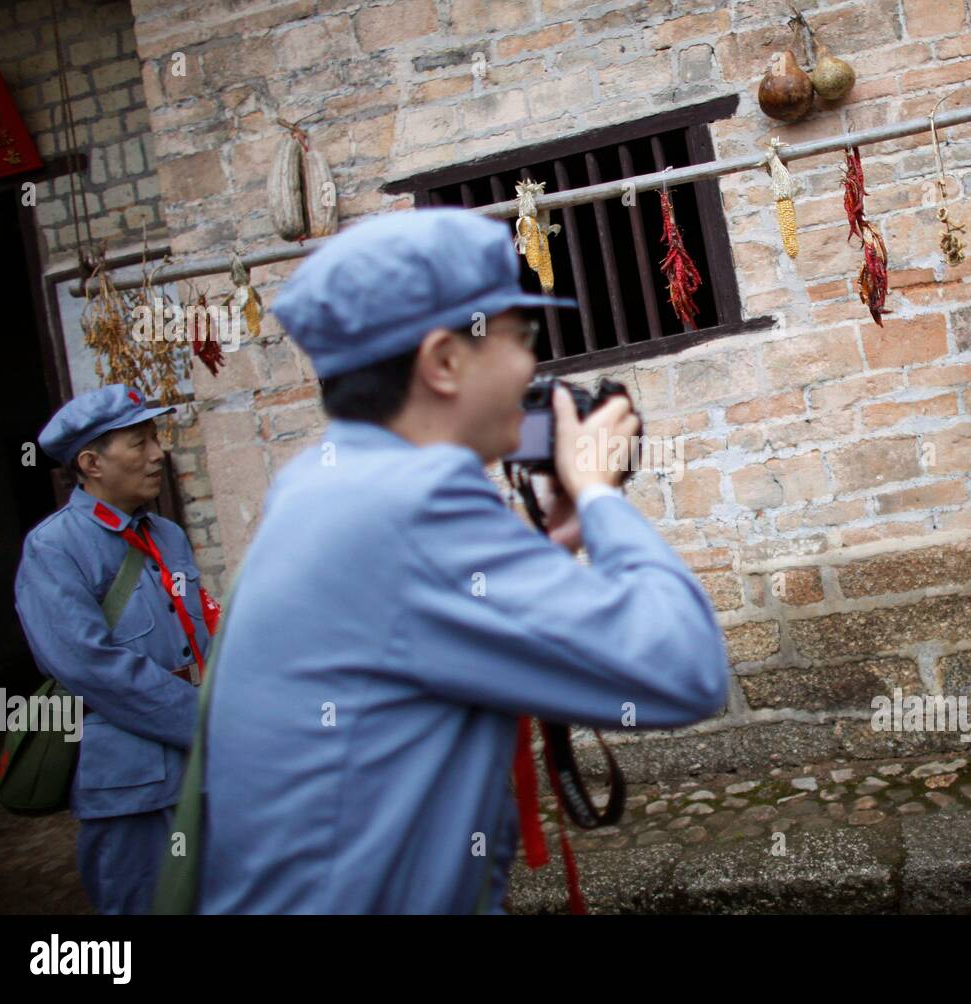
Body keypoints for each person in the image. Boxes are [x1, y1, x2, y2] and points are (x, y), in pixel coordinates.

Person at [195, 208, 730, 913]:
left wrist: (549, 546)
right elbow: (684, 670)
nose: (533, 367)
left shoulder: (322, 481)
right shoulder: (414, 504)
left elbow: (425, 618)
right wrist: (601, 501)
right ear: (445, 362)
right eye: (521, 337)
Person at [14, 385, 217, 913]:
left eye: (155, 437)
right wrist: (206, 723)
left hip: (205, 770)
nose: (158, 454)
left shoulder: (168, 535)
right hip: (133, 783)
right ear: (90, 462)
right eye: (139, 442)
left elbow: (200, 636)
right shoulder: (54, 547)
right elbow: (90, 665)